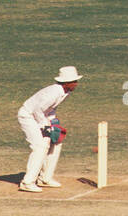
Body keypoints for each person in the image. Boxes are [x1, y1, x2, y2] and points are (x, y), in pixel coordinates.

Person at [16, 65, 82, 193]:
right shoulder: (55, 92)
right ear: (66, 83)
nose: (76, 84)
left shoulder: (65, 92)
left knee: (56, 142)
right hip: (28, 116)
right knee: (40, 146)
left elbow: (50, 109)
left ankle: (44, 179)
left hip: (39, 117)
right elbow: (37, 109)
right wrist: (45, 125)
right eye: (74, 82)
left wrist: (53, 122)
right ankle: (27, 182)